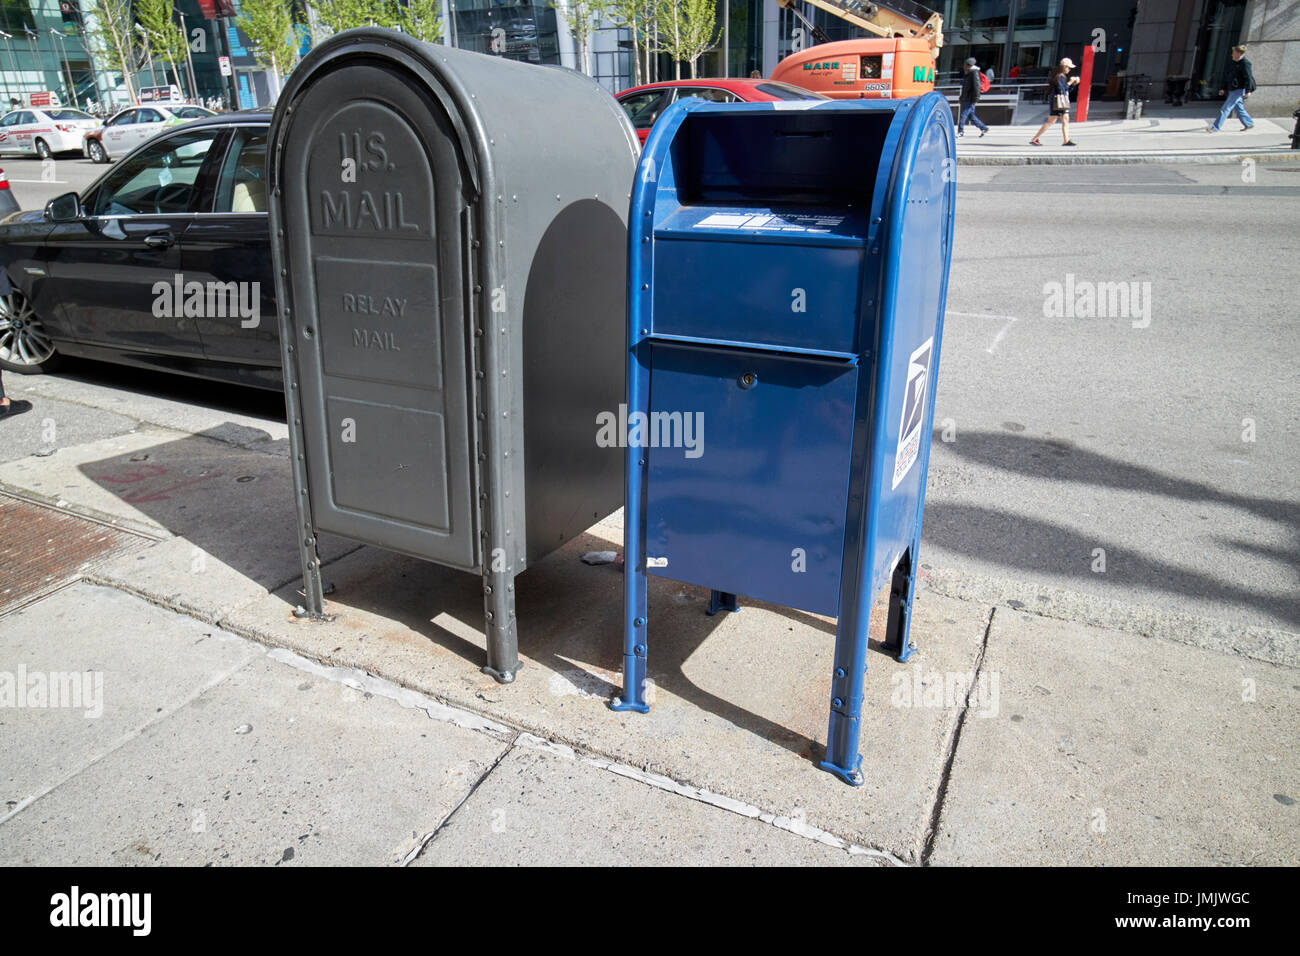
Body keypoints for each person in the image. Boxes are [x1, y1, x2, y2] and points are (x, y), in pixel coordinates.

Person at [1031, 57, 1080, 146]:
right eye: (1068, 67)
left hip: (1058, 101)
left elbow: (1066, 90)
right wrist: (1070, 82)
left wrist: (1073, 84)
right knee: (1053, 120)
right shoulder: (1060, 77)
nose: (1069, 69)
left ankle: (1066, 140)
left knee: (1062, 120)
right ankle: (1035, 139)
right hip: (1058, 102)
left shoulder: (1060, 76)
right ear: (1064, 67)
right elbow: (1062, 90)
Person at [1209, 45, 1256, 132]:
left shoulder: (1245, 63)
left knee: (1225, 108)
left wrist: (1248, 91)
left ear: (1238, 53)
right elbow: (1229, 77)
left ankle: (1215, 128)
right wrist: (1224, 88)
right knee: (1239, 109)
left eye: (1233, 53)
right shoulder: (1234, 63)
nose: (1232, 55)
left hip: (1239, 90)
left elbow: (1248, 77)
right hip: (1233, 89)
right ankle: (1249, 123)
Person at [958, 57, 988, 137]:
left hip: (969, 99)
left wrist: (975, 99)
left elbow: (976, 87)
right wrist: (961, 98)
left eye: (965, 64)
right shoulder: (968, 73)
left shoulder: (974, 73)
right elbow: (965, 88)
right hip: (966, 98)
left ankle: (960, 131)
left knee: (963, 115)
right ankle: (983, 128)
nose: (963, 66)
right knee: (971, 116)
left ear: (968, 65)